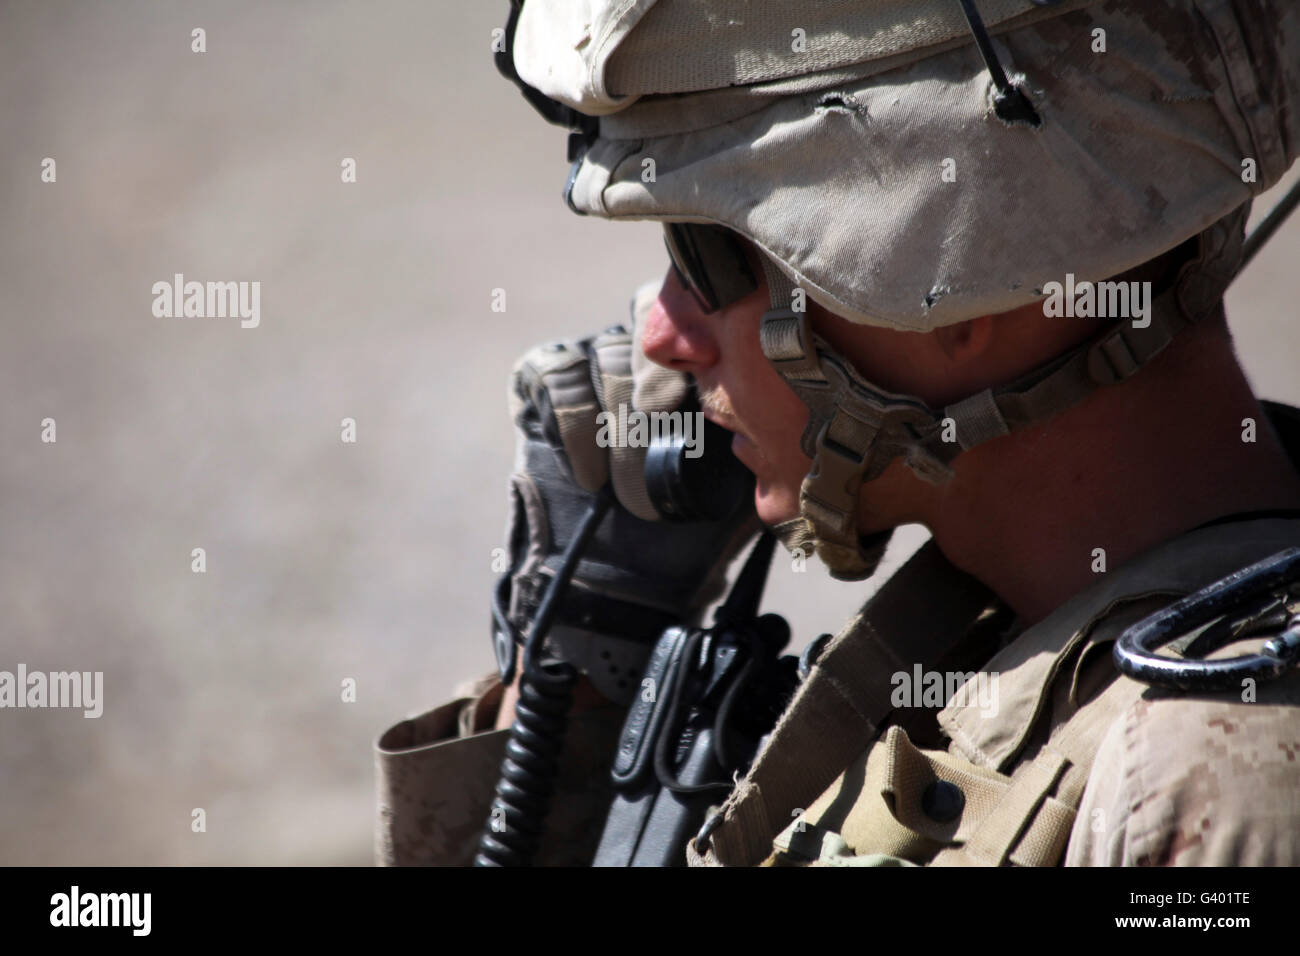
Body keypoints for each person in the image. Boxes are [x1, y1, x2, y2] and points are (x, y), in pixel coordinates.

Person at [376, 0, 1300, 866]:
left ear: (944, 275)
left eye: (705, 256)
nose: (661, 335)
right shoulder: (1012, 649)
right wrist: (575, 689)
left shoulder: (1212, 772)